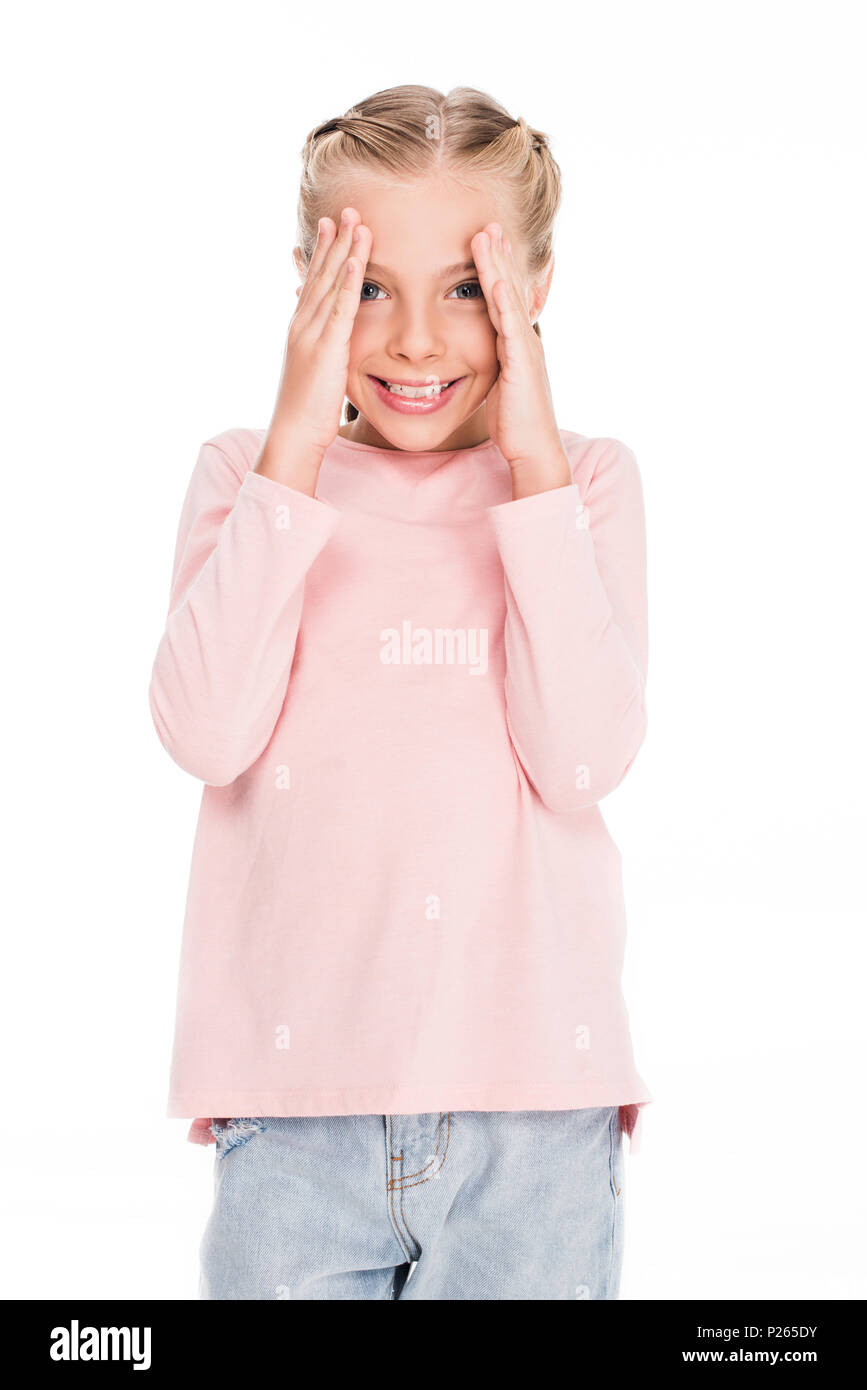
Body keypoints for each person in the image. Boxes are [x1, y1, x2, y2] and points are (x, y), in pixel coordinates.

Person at [148, 83, 651, 1301]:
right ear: (308, 291)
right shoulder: (248, 480)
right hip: (296, 1118)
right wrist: (290, 450)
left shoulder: (583, 486)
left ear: (532, 292)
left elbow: (581, 757)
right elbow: (206, 734)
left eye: (467, 288)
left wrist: (530, 470)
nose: (416, 340)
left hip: (532, 1122)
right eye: (370, 285)